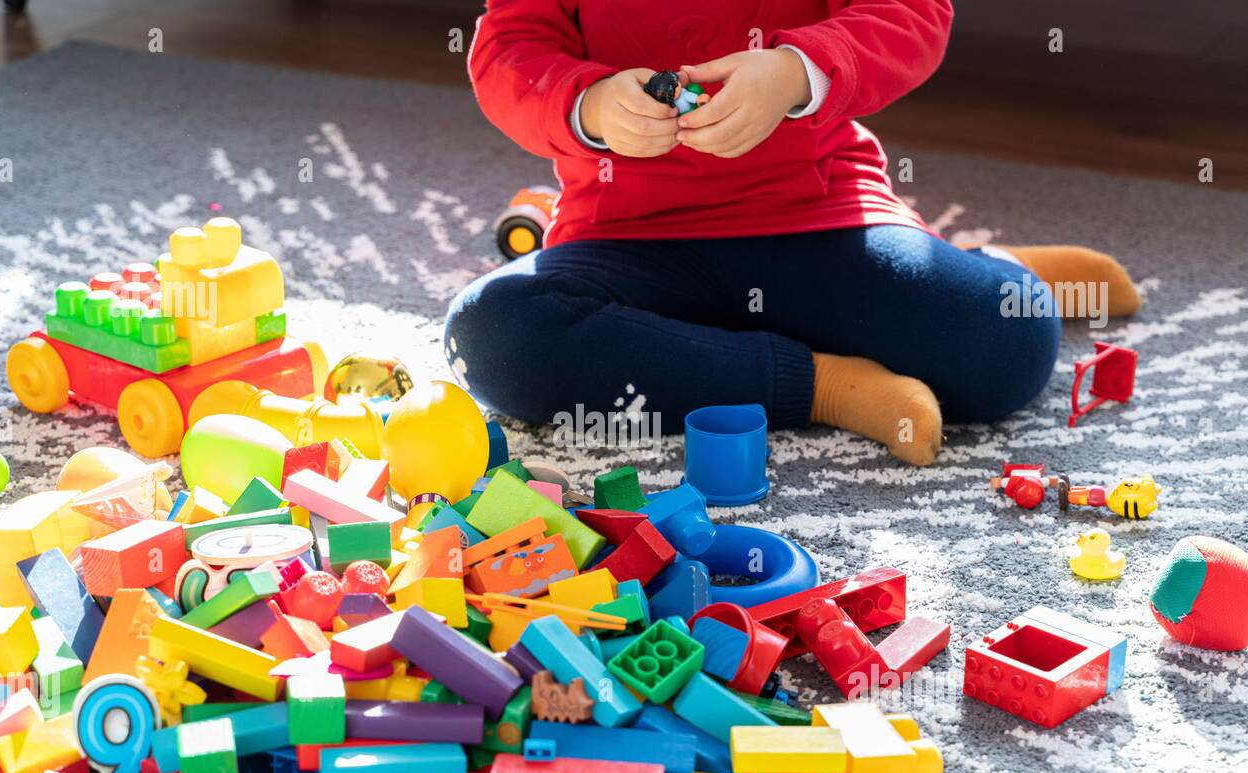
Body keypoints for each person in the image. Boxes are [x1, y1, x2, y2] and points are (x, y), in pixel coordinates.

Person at [445, 0, 1140, 465]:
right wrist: (586, 102)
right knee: (493, 335)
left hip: (818, 215)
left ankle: (982, 268)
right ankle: (822, 383)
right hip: (623, 236)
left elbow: (911, 12)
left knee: (1005, 344)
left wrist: (796, 71)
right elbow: (511, 44)